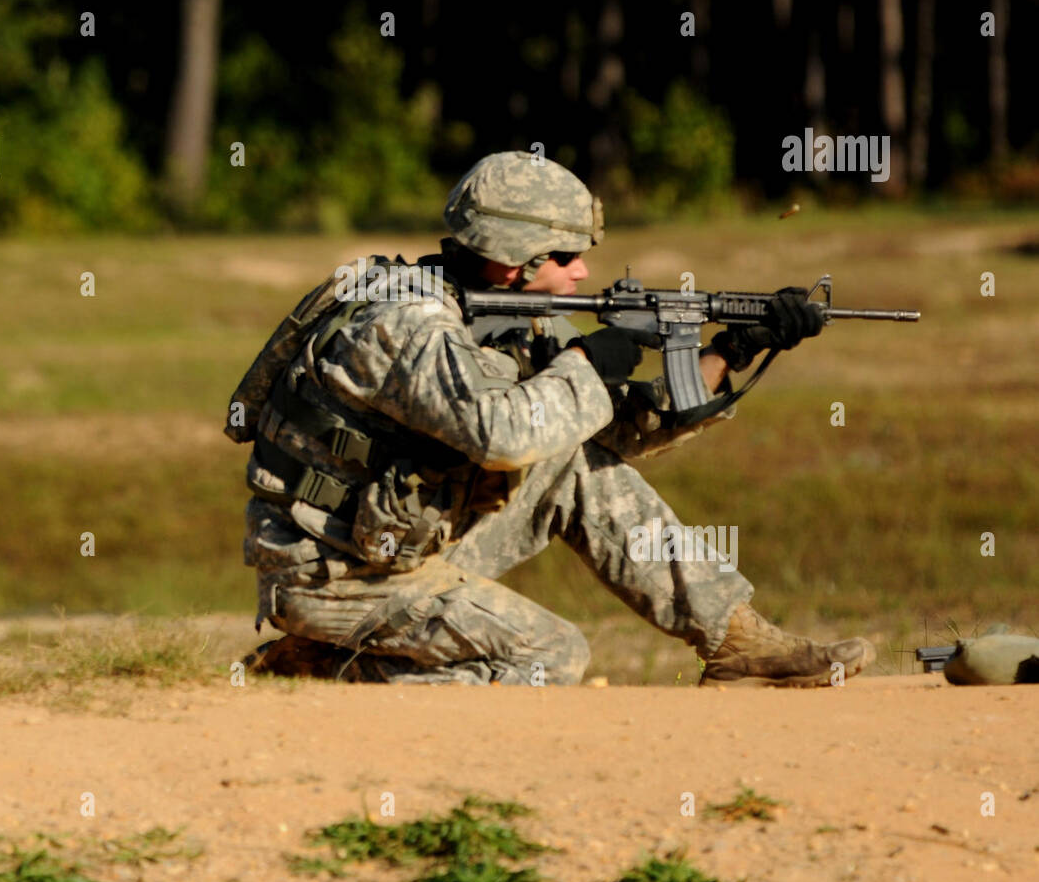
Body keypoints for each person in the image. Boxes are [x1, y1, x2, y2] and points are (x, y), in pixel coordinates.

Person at [227, 151, 875, 687]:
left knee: (582, 462)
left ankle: (737, 641)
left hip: (393, 541)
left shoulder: (499, 312)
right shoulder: (405, 325)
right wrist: (590, 360)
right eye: (566, 257)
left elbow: (608, 433)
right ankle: (327, 670)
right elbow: (503, 434)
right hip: (334, 575)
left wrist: (730, 353)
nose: (583, 271)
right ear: (516, 259)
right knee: (551, 658)